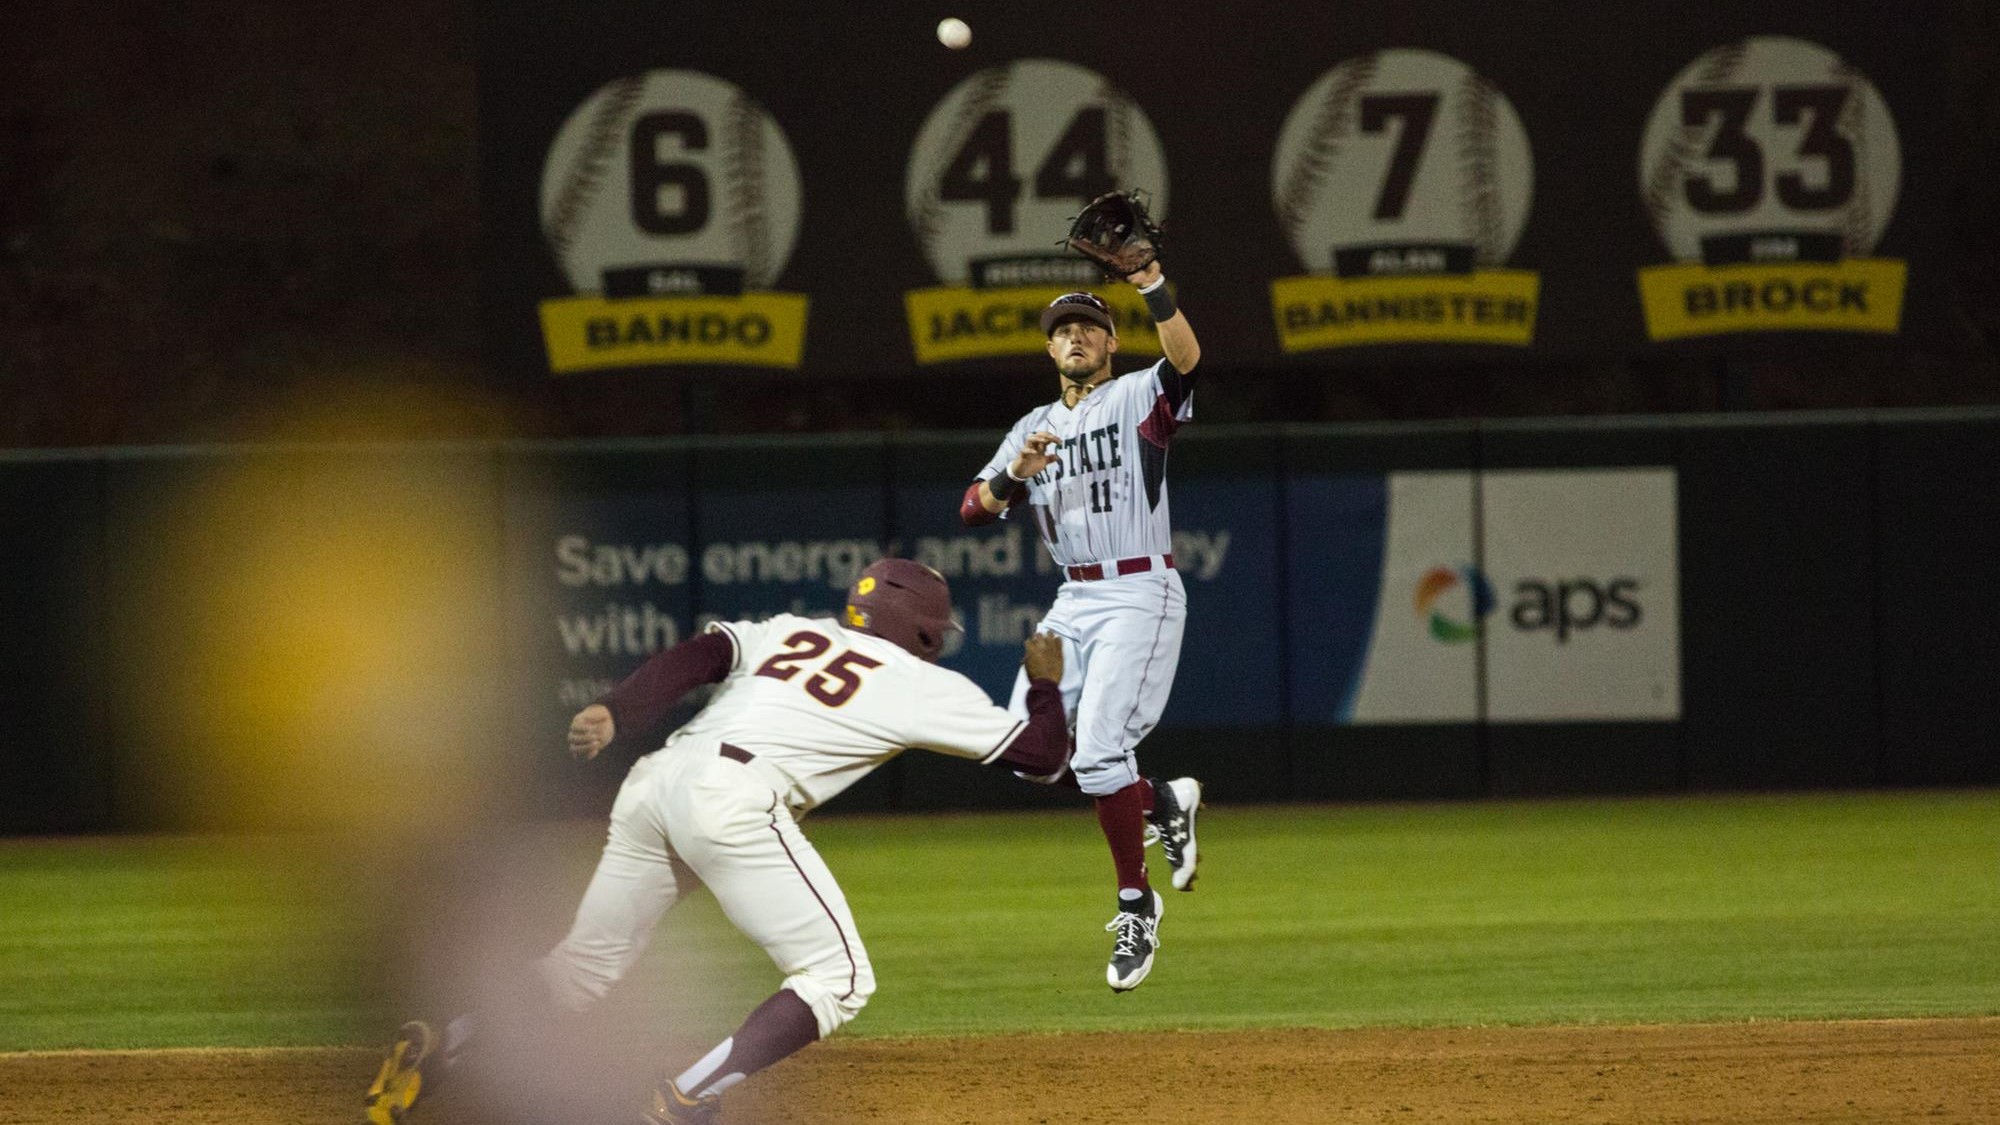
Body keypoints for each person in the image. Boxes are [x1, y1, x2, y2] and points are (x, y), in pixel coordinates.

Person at [363, 559, 1069, 1125]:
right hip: (732, 799)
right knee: (839, 979)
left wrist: (619, 708)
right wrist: (1045, 684)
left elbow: (705, 653)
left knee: (582, 966)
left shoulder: (794, 631)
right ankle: (685, 1098)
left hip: (658, 781)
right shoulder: (919, 682)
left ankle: (446, 1043)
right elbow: (1042, 757)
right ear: (924, 632)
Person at [958, 258, 1205, 992]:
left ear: (1111, 343)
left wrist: (1152, 282)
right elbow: (972, 510)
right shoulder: (1030, 427)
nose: (1076, 337)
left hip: (1139, 588)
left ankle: (1136, 904)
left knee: (1098, 753)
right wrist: (1014, 474)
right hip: (1074, 599)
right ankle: (1159, 799)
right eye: (1064, 330)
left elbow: (1187, 362)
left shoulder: (1137, 394)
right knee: (1026, 750)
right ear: (1048, 348)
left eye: (1090, 328)